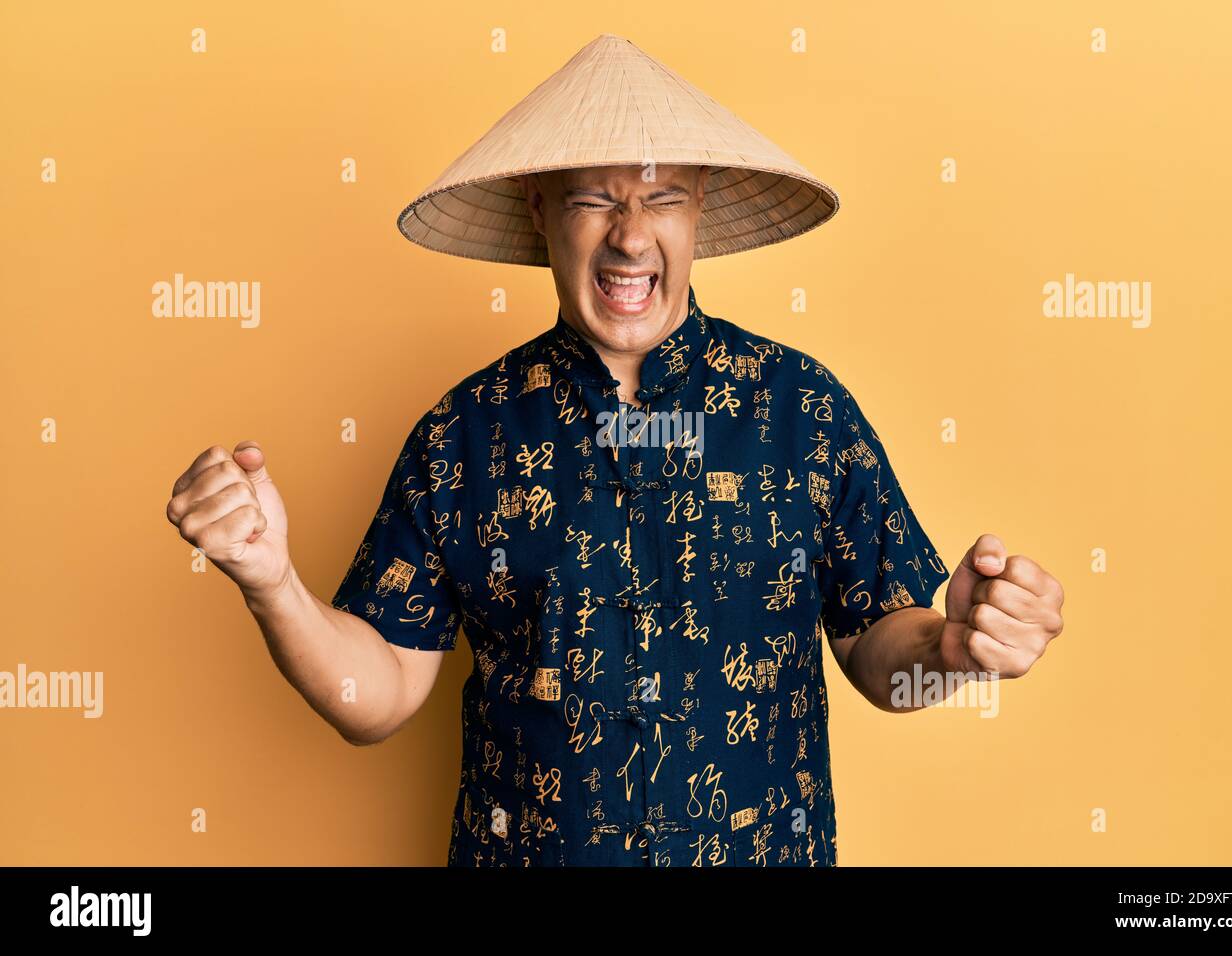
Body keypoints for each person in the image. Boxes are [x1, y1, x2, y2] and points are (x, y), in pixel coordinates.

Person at [164, 34, 1065, 867]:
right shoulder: (462, 435)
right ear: (538, 206)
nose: (630, 236)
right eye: (596, 199)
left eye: (661, 198)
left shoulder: (805, 410)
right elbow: (380, 697)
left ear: (701, 204)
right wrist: (272, 583)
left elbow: (880, 653)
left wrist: (957, 647)